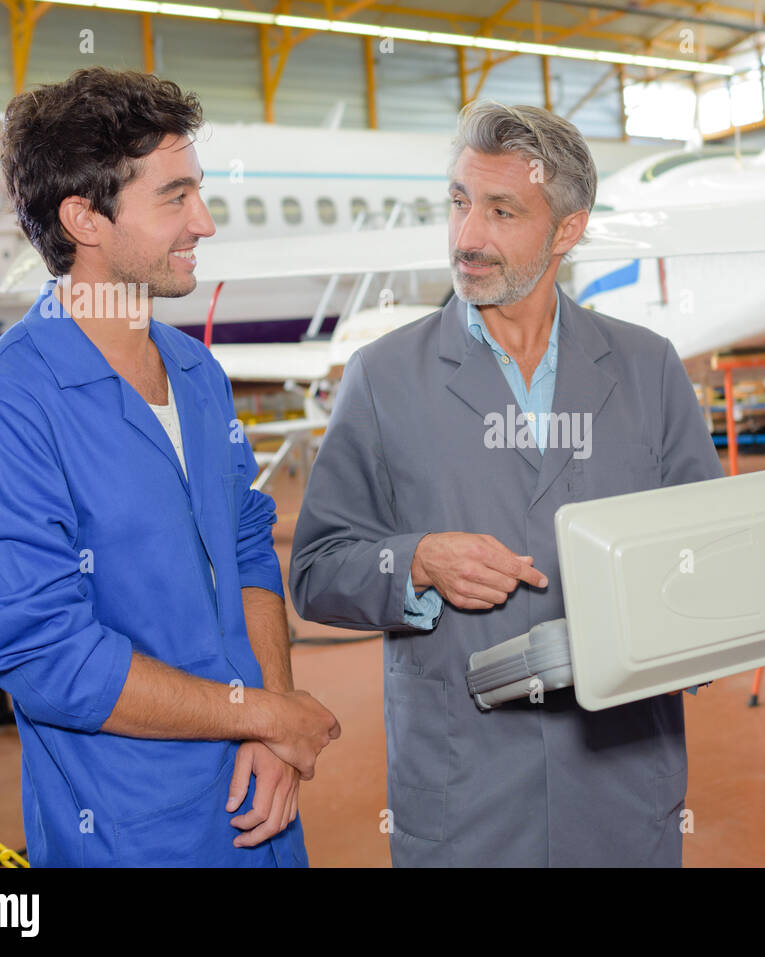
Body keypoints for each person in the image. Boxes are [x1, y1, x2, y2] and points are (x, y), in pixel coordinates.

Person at [0, 67, 340, 867]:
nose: (205, 223)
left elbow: (250, 544)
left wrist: (273, 716)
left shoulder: (198, 374)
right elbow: (53, 660)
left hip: (263, 810)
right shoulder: (0, 413)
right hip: (131, 836)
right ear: (84, 217)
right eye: (174, 198)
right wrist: (258, 713)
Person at [289, 101, 723, 867]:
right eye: (458, 202)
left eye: (500, 210)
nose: (467, 237)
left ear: (567, 229)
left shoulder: (648, 369)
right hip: (464, 793)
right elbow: (319, 568)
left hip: (620, 785)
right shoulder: (384, 378)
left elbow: (712, 566)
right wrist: (416, 561)